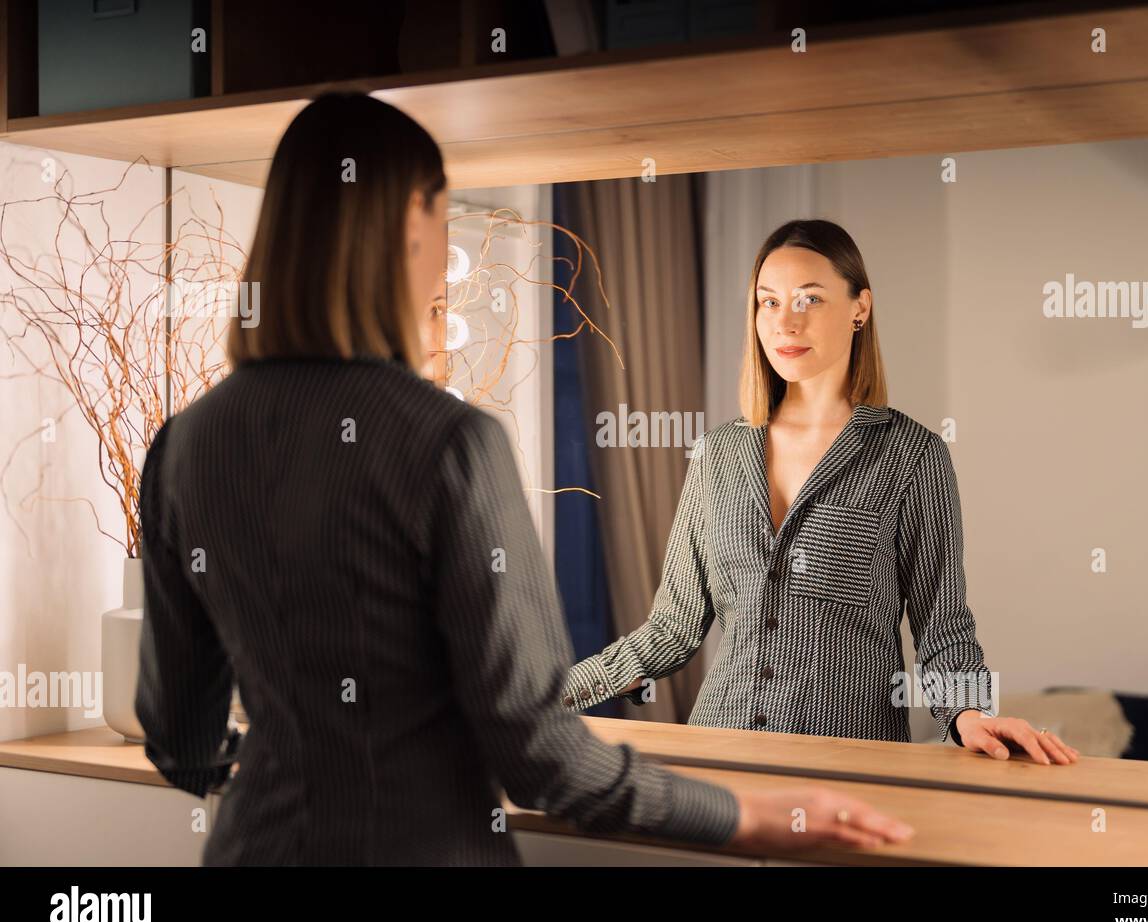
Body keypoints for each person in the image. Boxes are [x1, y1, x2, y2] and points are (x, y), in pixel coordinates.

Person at [134, 93, 915, 865]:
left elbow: (181, 742)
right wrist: (738, 816)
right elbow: (539, 753)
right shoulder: (448, 443)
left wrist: (302, 774)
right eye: (444, 222)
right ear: (411, 222)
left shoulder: (186, 446)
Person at [563, 220, 1080, 767]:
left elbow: (942, 624)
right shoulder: (716, 455)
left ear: (860, 307)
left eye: (809, 299)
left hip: (854, 766)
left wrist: (971, 714)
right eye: (769, 302)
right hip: (719, 761)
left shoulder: (912, 456)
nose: (785, 321)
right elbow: (673, 628)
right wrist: (553, 693)